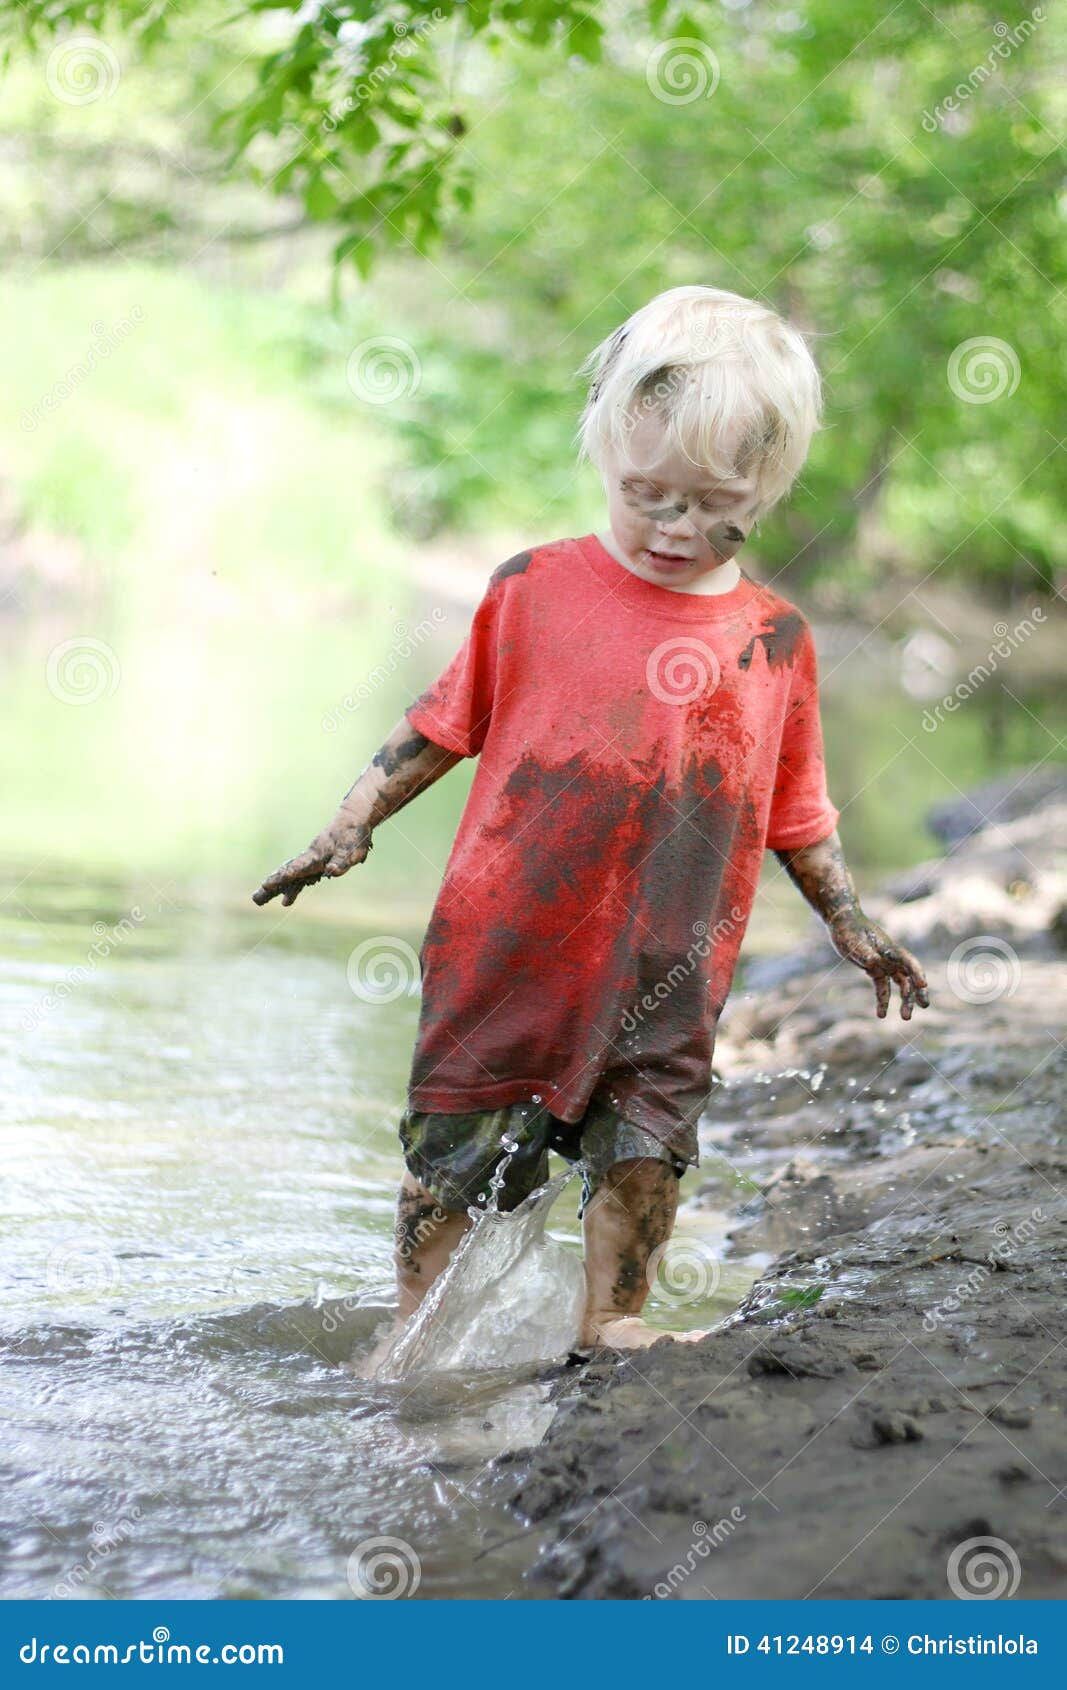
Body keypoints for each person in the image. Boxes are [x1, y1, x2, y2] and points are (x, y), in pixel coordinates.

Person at [252, 285, 929, 1352]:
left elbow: (795, 809)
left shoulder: (773, 642)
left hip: (668, 975)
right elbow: (441, 722)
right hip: (503, 956)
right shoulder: (533, 590)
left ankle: (606, 1341)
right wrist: (353, 820)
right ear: (608, 452)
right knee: (454, 1175)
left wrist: (849, 921)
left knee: (643, 1165)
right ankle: (416, 1348)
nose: (674, 525)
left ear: (769, 485)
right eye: (644, 492)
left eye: (711, 504)